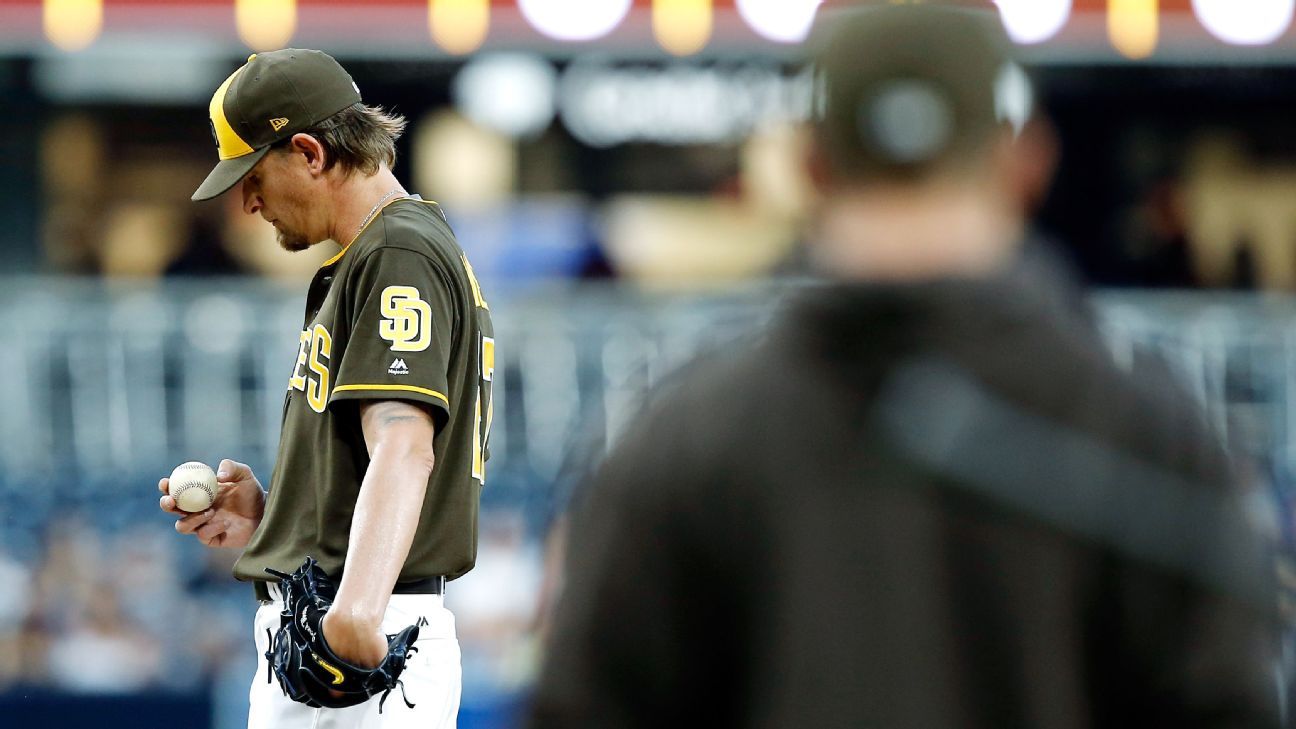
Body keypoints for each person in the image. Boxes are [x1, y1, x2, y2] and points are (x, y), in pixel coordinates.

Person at [527, 4, 1280, 729]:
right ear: (1024, 162)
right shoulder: (1146, 431)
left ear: (813, 165)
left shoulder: (689, 437)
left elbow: (587, 702)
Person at [159, 48, 494, 729]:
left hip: (366, 636)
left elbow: (404, 444)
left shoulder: (395, 250)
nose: (248, 201)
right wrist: (280, 515)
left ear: (309, 152)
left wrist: (358, 611)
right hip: (343, 616)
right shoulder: (375, 252)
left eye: (253, 174)